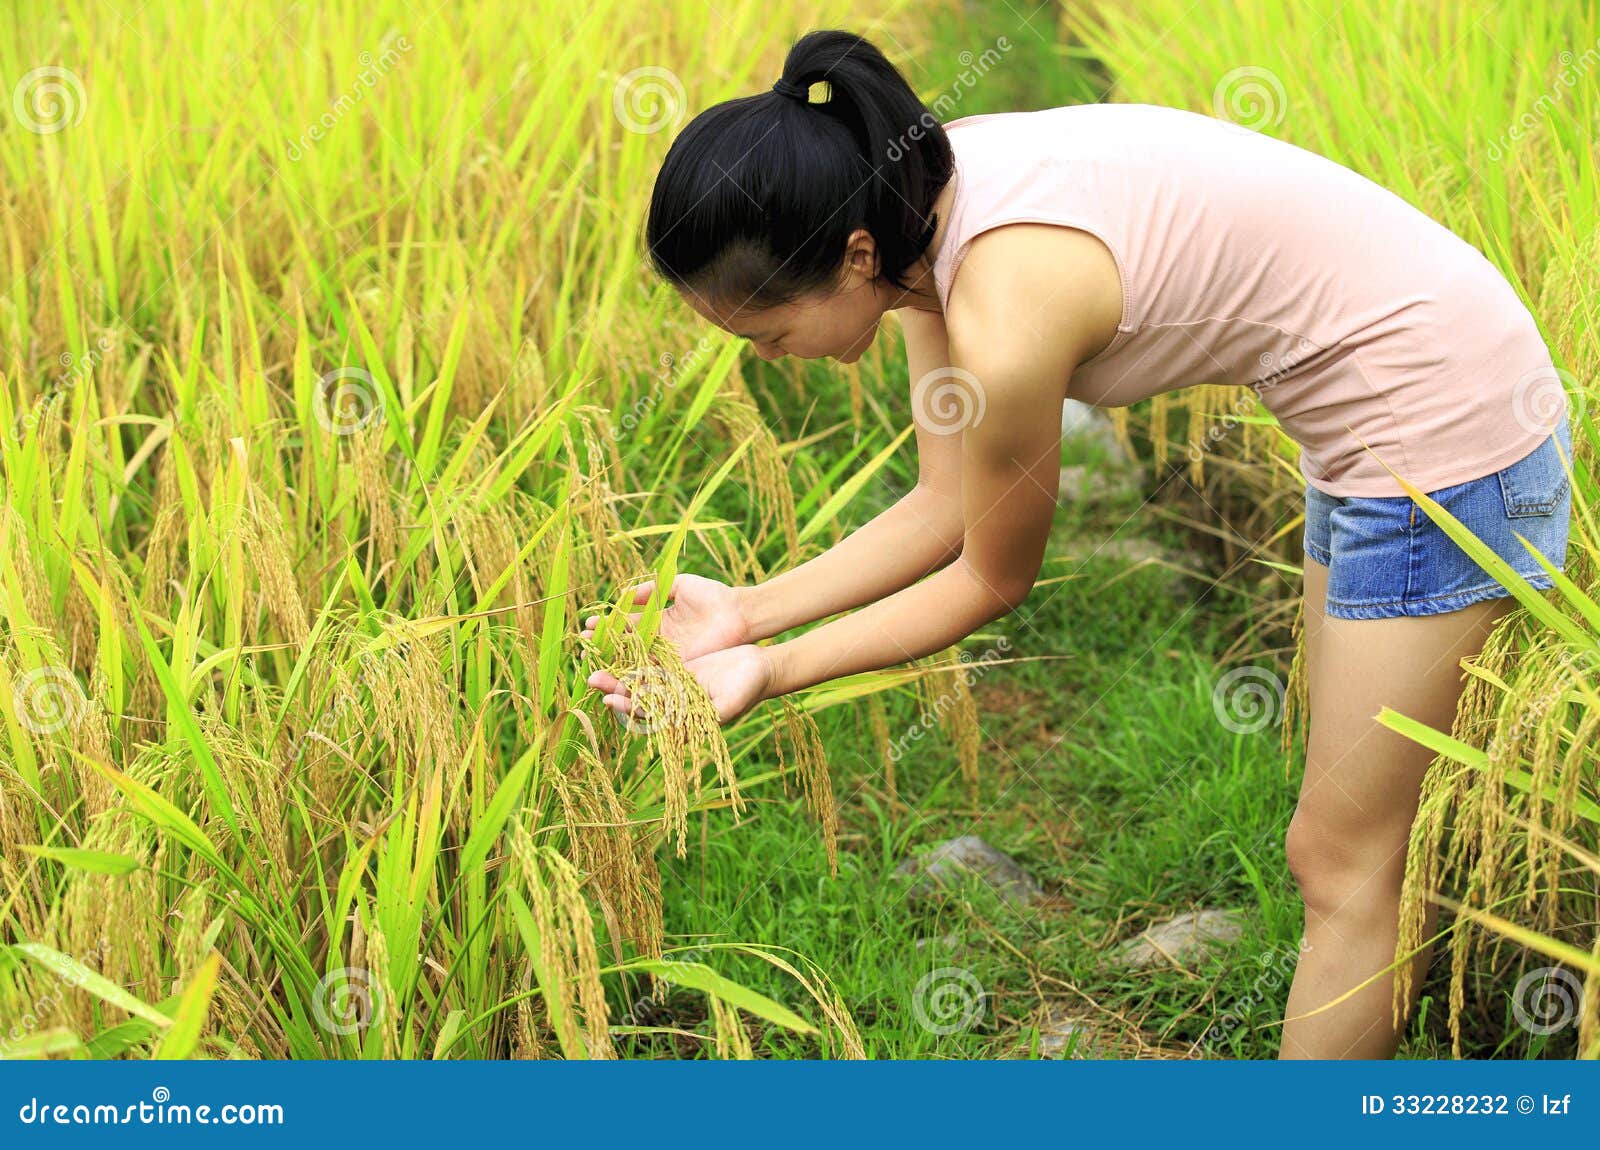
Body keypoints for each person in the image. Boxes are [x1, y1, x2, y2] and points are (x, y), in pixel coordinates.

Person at [583, 28, 1573, 1059]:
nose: (773, 363)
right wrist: (746, 608)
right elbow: (945, 502)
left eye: (768, 336)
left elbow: (987, 574)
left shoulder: (1005, 314)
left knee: (1340, 863)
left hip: (1442, 441)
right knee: (1355, 849)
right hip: (1373, 420)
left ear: (853, 259)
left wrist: (769, 671)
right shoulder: (913, 205)